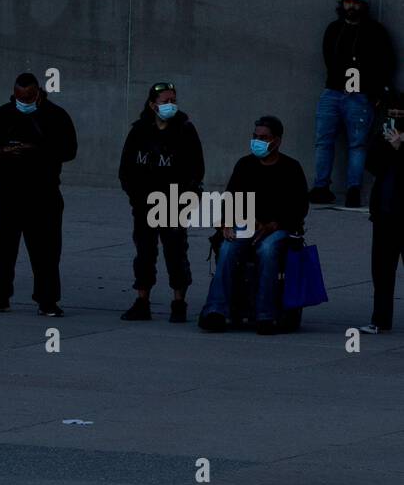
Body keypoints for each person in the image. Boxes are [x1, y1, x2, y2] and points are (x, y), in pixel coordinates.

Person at [0, 72, 78, 316]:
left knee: (46, 251)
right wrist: (2, 150)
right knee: (0, 250)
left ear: (38, 92)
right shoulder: (2, 115)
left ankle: (48, 300)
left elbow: (69, 149)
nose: (24, 101)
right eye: (19, 97)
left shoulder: (55, 116)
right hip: (4, 192)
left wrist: (36, 150)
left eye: (29, 97)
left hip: (43, 193)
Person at [199, 116, 310, 335]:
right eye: (255, 137)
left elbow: (299, 208)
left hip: (278, 227)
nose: (258, 141)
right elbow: (230, 198)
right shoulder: (245, 165)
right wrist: (227, 223)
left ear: (276, 141)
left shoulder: (291, 168)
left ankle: (265, 315)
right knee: (228, 248)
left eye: (264, 138)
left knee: (268, 250)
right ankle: (216, 311)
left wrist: (272, 225)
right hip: (246, 223)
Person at [117, 82, 205, 322]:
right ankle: (142, 301)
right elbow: (126, 168)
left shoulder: (185, 131)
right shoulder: (139, 131)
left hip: (174, 204)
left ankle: (179, 303)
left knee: (176, 253)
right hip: (145, 204)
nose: (170, 106)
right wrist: (135, 196)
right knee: (144, 253)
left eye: (173, 101)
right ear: (152, 105)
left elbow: (197, 169)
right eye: (165, 101)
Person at [309, 0, 395, 208]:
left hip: (360, 96)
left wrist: (376, 92)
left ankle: (353, 190)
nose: (351, 6)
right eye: (348, 2)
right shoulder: (334, 29)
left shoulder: (375, 31)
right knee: (323, 141)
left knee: (357, 144)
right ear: (342, 4)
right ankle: (320, 188)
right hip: (333, 92)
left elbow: (385, 63)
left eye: (356, 3)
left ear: (363, 6)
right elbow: (329, 58)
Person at [359, 94, 404, 332]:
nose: (395, 119)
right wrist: (387, 146)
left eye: (400, 115)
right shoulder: (382, 136)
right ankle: (380, 319)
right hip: (385, 214)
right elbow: (373, 165)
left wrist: (400, 147)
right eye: (392, 114)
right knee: (382, 270)